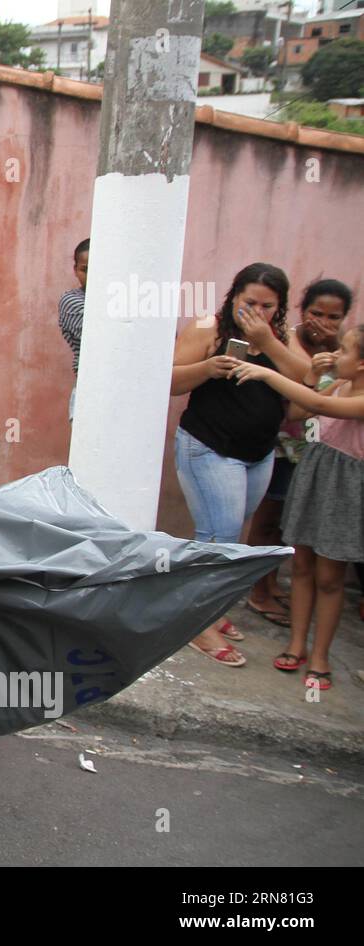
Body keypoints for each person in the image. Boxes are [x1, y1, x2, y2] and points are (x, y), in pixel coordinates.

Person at [169, 263, 311, 667]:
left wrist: (269, 342)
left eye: (268, 306)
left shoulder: (281, 337)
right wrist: (207, 368)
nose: (258, 312)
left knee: (229, 538)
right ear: (234, 297)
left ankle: (211, 608)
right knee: (221, 538)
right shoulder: (208, 328)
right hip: (210, 447)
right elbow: (169, 380)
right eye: (250, 302)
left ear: (279, 307)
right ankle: (199, 625)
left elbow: (309, 380)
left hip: (259, 454)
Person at [232, 325, 364, 691]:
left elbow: (322, 407)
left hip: (344, 491)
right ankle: (296, 644)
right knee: (302, 566)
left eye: (345, 352)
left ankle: (320, 656)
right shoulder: (338, 384)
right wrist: (320, 375)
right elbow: (303, 407)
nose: (336, 356)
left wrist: (267, 371)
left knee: (330, 577)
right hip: (315, 478)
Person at [245, 279, 352, 626]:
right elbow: (300, 400)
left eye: (333, 317)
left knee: (288, 528)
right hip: (281, 444)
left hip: (316, 454)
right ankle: (258, 591)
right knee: (268, 520)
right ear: (302, 312)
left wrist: (337, 352)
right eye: (316, 313)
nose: (323, 322)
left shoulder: (346, 355)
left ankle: (273, 584)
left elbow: (325, 398)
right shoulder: (287, 340)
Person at [58, 238, 90, 422]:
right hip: (89, 386)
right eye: (85, 269)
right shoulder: (71, 301)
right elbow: (101, 338)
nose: (91, 274)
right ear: (75, 270)